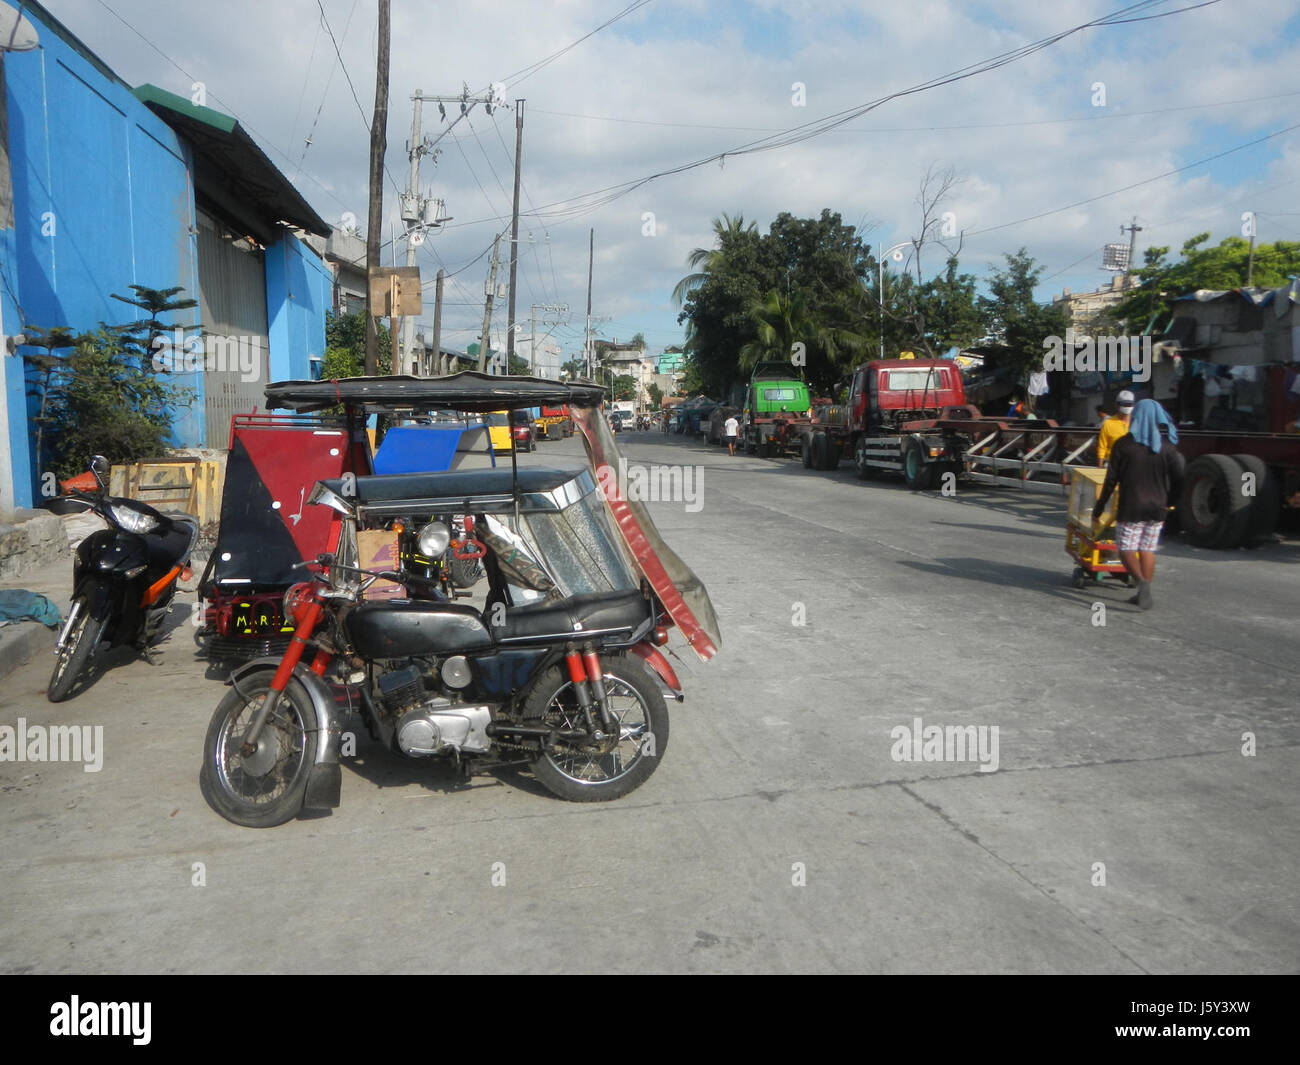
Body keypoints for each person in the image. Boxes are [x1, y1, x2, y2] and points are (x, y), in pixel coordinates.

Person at [1092, 399, 1184, 611]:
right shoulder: (1167, 448)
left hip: (1131, 505)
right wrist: (1170, 503)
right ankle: (1144, 589)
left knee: (1126, 549)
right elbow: (1180, 479)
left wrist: (1099, 508)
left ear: (1136, 416)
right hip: (1157, 507)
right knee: (1147, 549)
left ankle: (1142, 585)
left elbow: (1110, 481)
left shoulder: (1123, 445)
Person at [1096, 389, 1134, 465]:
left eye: (1129, 404)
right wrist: (1100, 467)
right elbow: (1102, 447)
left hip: (1132, 464)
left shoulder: (1137, 422)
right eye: (1124, 404)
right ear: (1116, 405)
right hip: (1112, 464)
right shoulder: (1108, 423)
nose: (1126, 407)